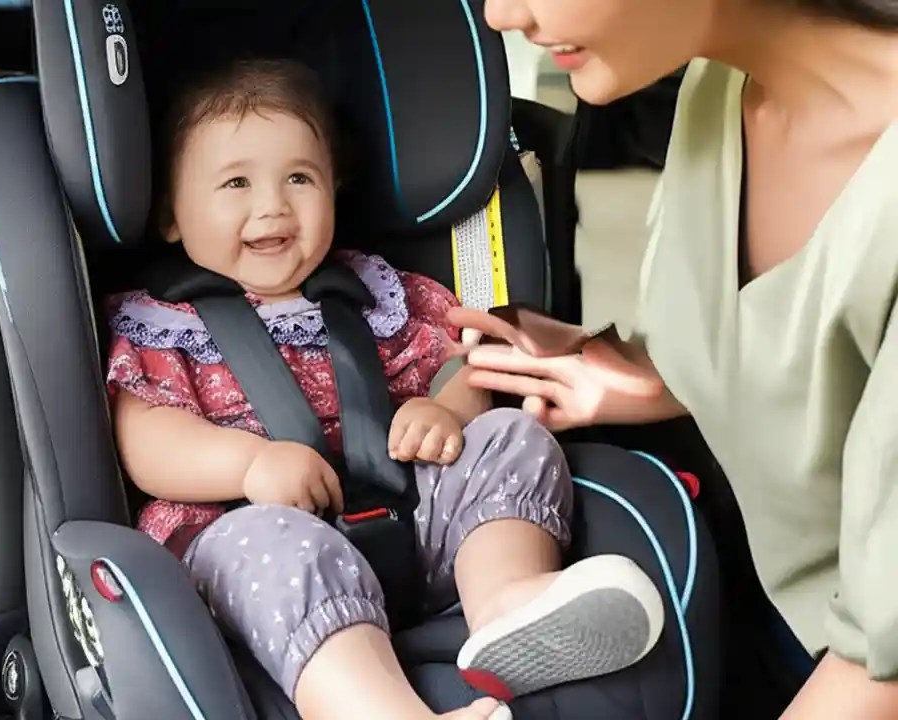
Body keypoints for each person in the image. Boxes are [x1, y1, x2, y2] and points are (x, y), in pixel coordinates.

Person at [104, 58, 664, 720]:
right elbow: (144, 439)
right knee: (281, 549)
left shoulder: (379, 293)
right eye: (235, 182)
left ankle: (507, 601)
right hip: (255, 550)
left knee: (511, 435)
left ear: (334, 189)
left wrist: (441, 409)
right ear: (170, 213)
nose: (272, 205)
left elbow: (459, 364)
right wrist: (249, 465)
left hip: (410, 518)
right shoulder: (160, 327)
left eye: (299, 177)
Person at [458, 1, 898, 717]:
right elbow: (807, 351)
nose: (505, 14)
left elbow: (882, 671)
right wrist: (651, 376)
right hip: (781, 618)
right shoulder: (720, 87)